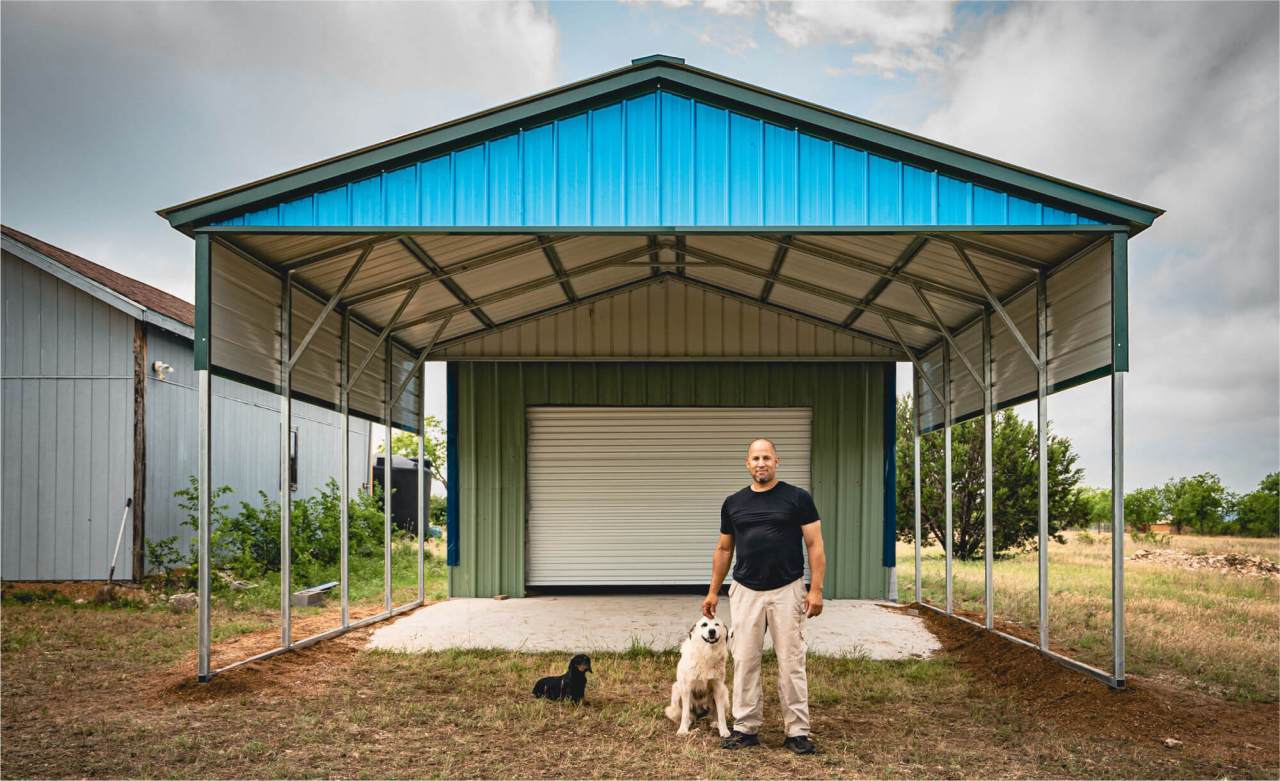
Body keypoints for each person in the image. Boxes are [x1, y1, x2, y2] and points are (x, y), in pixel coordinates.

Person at [703, 437, 825, 755]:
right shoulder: (733, 503)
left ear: (776, 461)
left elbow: (815, 545)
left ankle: (797, 731)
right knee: (744, 660)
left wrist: (816, 589)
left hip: (788, 589)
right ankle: (745, 727)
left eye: (766, 457)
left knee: (792, 662)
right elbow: (724, 549)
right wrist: (713, 591)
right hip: (746, 591)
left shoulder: (797, 498)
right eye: (755, 458)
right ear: (747, 464)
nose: (761, 463)